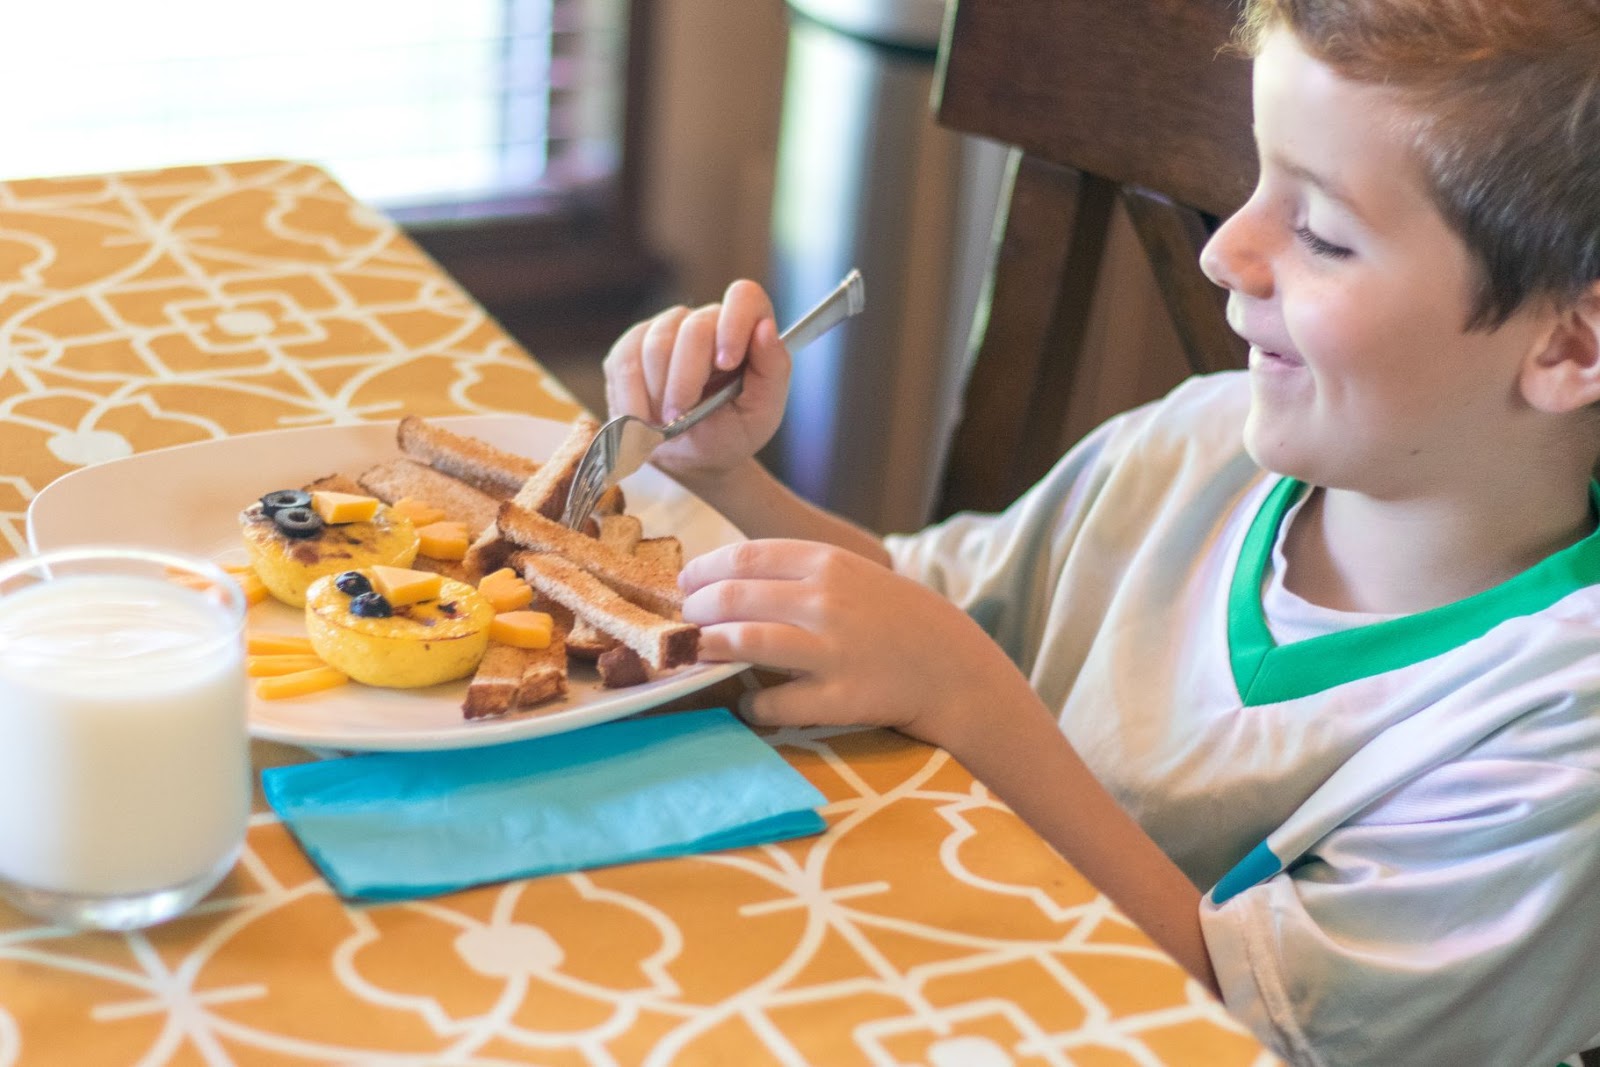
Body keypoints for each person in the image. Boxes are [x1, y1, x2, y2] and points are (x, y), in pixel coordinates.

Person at [601, 1, 1600, 1062]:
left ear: (1569, 343)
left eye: (1321, 232)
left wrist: (970, 696)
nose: (1226, 250)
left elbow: (1249, 1026)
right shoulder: (1195, 448)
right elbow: (915, 609)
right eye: (1254, 177)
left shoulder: (1554, 733)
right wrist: (730, 479)